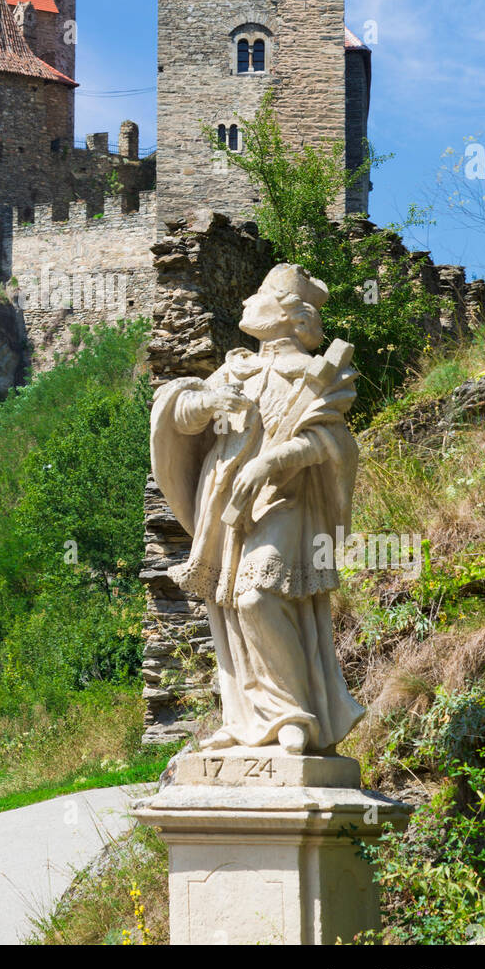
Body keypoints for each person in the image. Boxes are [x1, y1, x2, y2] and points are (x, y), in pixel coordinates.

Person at [150, 263, 364, 754]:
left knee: (257, 595)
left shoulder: (321, 374)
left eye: (260, 295)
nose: (246, 302)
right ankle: (245, 718)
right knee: (225, 605)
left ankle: (293, 714)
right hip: (224, 497)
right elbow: (182, 421)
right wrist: (204, 402)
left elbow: (331, 442)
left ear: (289, 314)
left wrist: (273, 463)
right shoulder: (235, 369)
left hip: (285, 497)